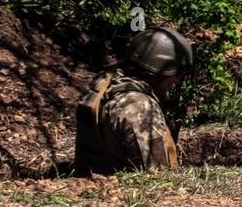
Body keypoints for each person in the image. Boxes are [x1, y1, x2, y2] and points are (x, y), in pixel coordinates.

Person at [74, 26, 193, 175]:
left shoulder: (108, 83)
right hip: (114, 192)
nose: (176, 82)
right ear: (165, 72)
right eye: (179, 75)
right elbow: (157, 180)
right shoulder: (139, 108)